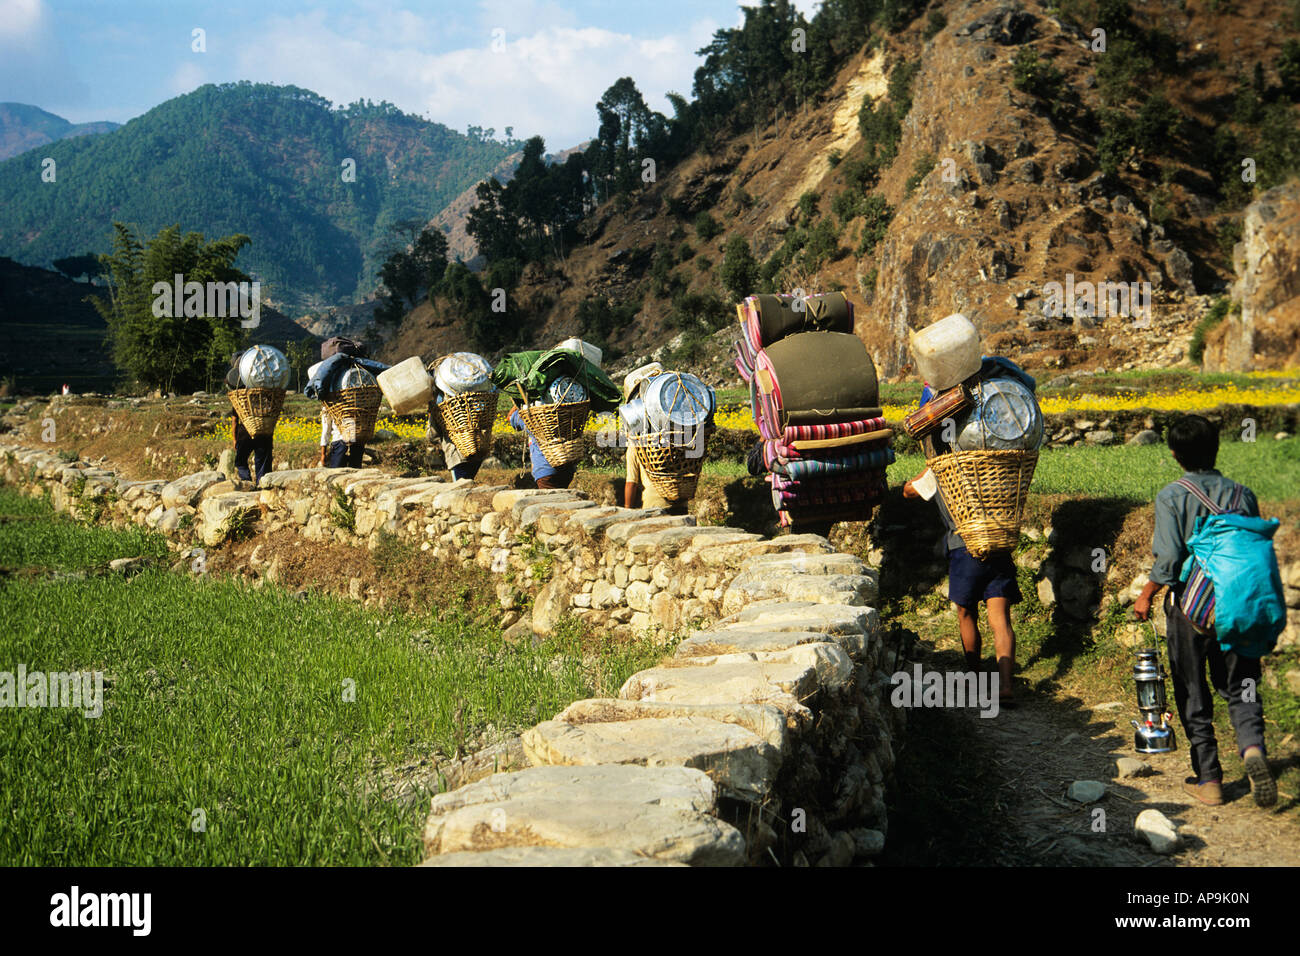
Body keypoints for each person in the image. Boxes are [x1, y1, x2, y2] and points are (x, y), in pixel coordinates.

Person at [1133, 414, 1275, 808]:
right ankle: (1251, 748)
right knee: (1240, 684)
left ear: (1175, 454)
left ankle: (1209, 778)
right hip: (1240, 602)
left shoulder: (1171, 496)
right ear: (1216, 448)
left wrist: (1146, 595)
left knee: (1192, 687)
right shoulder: (1242, 494)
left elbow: (1169, 561)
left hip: (1191, 607)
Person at [903, 454, 1020, 707]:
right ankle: (1006, 685)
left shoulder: (943, 469)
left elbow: (909, 491)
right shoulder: (991, 465)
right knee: (1000, 619)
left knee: (966, 614)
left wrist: (929, 467)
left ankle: (974, 675)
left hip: (965, 548)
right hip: (998, 546)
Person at [224, 351, 273, 483]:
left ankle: (246, 482)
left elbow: (235, 420)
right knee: (262, 461)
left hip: (244, 432)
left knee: (240, 461)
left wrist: (234, 439)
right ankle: (262, 485)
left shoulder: (239, 395)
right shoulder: (263, 391)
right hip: (264, 429)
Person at [508, 402, 575, 489]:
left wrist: (518, 401)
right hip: (567, 467)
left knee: (549, 500)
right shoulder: (563, 411)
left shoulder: (530, 415)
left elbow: (510, 417)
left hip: (545, 470)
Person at [428, 395, 487, 481]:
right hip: (478, 452)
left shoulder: (440, 407)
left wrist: (431, 416)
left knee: (461, 487)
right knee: (469, 483)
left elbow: (432, 436)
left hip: (457, 457)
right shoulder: (473, 402)